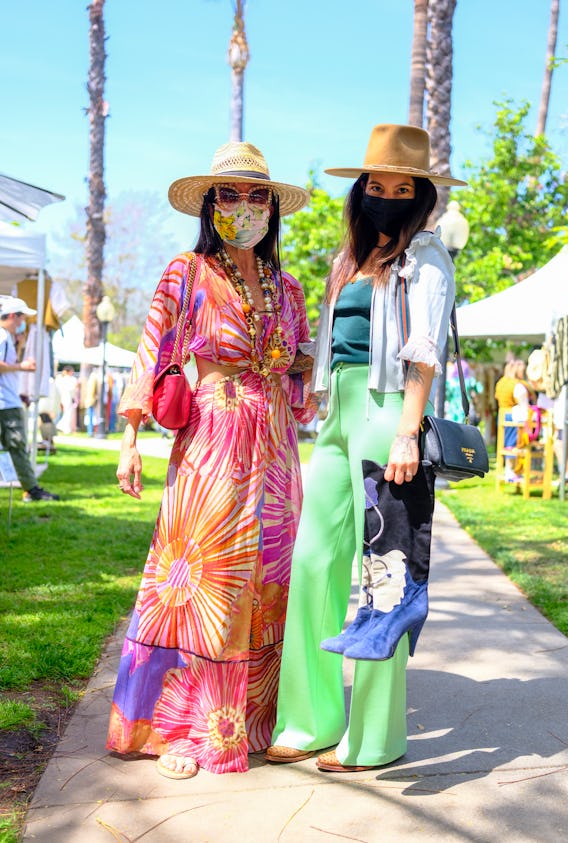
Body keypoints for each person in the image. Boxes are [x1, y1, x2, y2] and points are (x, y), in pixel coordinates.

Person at [105, 140, 314, 778]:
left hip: (277, 447)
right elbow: (151, 349)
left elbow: (303, 366)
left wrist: (304, 372)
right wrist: (130, 438)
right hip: (213, 439)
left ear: (271, 208)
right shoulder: (187, 273)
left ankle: (258, 719)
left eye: (256, 196)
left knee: (271, 578)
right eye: (230, 194)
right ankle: (188, 728)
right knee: (206, 576)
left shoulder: (289, 287)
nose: (243, 206)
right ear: (211, 204)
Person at [265, 123, 466, 772]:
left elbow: (423, 353)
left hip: (389, 411)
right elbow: (339, 342)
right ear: (361, 191)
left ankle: (376, 736)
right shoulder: (349, 259)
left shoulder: (426, 256)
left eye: (401, 189)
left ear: (420, 195)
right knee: (312, 560)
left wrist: (408, 430)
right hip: (338, 415)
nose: (387, 197)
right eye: (376, 186)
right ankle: (310, 718)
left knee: (385, 572)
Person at [0, 296, 59, 502]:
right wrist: (22, 367)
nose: (23, 322)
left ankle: (31, 488)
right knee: (17, 446)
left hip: (7, 401)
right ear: (12, 316)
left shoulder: (7, 337)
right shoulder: (2, 336)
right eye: (22, 317)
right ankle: (32, 490)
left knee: (16, 447)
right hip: (6, 404)